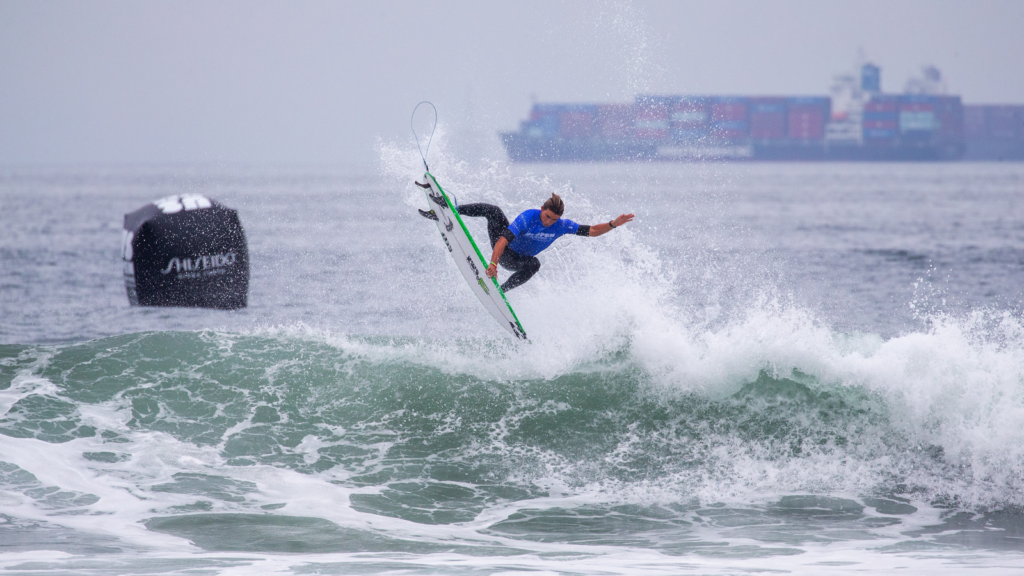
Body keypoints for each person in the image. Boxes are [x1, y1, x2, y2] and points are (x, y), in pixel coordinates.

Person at [420, 192, 634, 292]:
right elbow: (503, 239)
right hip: (504, 249)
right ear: (542, 209)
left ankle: (501, 291)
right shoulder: (529, 217)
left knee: (535, 264)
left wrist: (613, 224)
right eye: (547, 216)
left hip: (519, 260)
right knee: (493, 211)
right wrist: (493, 264)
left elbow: (593, 231)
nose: (549, 222)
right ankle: (451, 211)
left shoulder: (562, 225)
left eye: (554, 219)